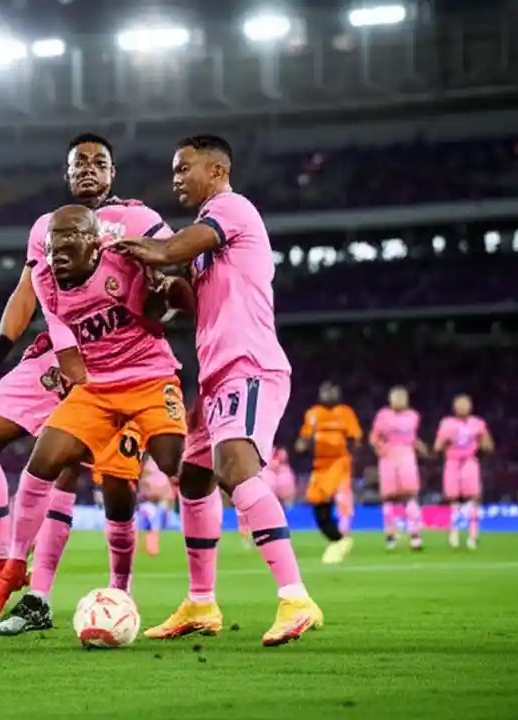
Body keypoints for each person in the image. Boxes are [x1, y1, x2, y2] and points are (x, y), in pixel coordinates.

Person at [105, 134, 321, 647]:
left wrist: (133, 247)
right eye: (173, 171)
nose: (176, 179)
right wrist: (166, 290)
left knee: (235, 468)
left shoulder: (231, 209)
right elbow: (196, 301)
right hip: (216, 373)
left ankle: (295, 597)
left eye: (184, 168)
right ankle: (201, 602)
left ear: (217, 170)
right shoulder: (208, 245)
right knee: (194, 477)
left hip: (249, 364)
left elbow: (170, 248)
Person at [0, 132, 176, 591]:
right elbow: (26, 295)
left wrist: (166, 297)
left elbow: (176, 270)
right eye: (79, 162)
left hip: (122, 363)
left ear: (113, 172)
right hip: (57, 353)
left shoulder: (138, 218)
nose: (88, 168)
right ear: (67, 173)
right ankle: (7, 559)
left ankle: (59, 595)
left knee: (87, 479)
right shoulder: (47, 227)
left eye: (98, 162)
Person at [0, 204, 188, 631]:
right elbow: (68, 349)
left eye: (68, 240)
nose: (56, 251)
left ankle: (129, 591)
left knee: (158, 473)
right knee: (43, 460)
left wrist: (162, 289)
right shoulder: (44, 278)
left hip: (149, 377)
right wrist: (66, 381)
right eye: (52, 242)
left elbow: (157, 311)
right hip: (96, 385)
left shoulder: (122, 261)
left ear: (95, 242)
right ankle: (15, 564)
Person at [296, 382, 363, 564]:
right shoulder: (313, 414)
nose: (328, 395)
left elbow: (355, 438)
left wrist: (352, 457)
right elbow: (305, 437)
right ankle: (338, 539)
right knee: (316, 501)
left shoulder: (345, 413)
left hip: (339, 463)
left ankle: (342, 537)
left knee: (341, 499)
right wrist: (303, 445)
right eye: (325, 392)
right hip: (320, 465)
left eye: (332, 392)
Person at [371, 386, 428, 551]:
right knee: (388, 497)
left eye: (402, 397)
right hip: (388, 457)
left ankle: (415, 535)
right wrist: (381, 451)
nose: (398, 400)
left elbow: (413, 438)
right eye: (395, 397)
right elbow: (374, 437)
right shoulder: (383, 415)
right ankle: (390, 536)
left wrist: (422, 448)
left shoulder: (413, 416)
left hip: (407, 456)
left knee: (410, 495)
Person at [434, 394, 493, 550]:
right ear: (454, 407)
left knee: (473, 498)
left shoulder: (477, 423)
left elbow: (488, 445)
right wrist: (446, 440)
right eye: (459, 405)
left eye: (465, 404)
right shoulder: (447, 423)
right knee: (453, 499)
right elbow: (437, 446)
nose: (462, 408)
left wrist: (483, 442)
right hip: (452, 462)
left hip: (469, 461)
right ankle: (454, 534)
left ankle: (473, 535)